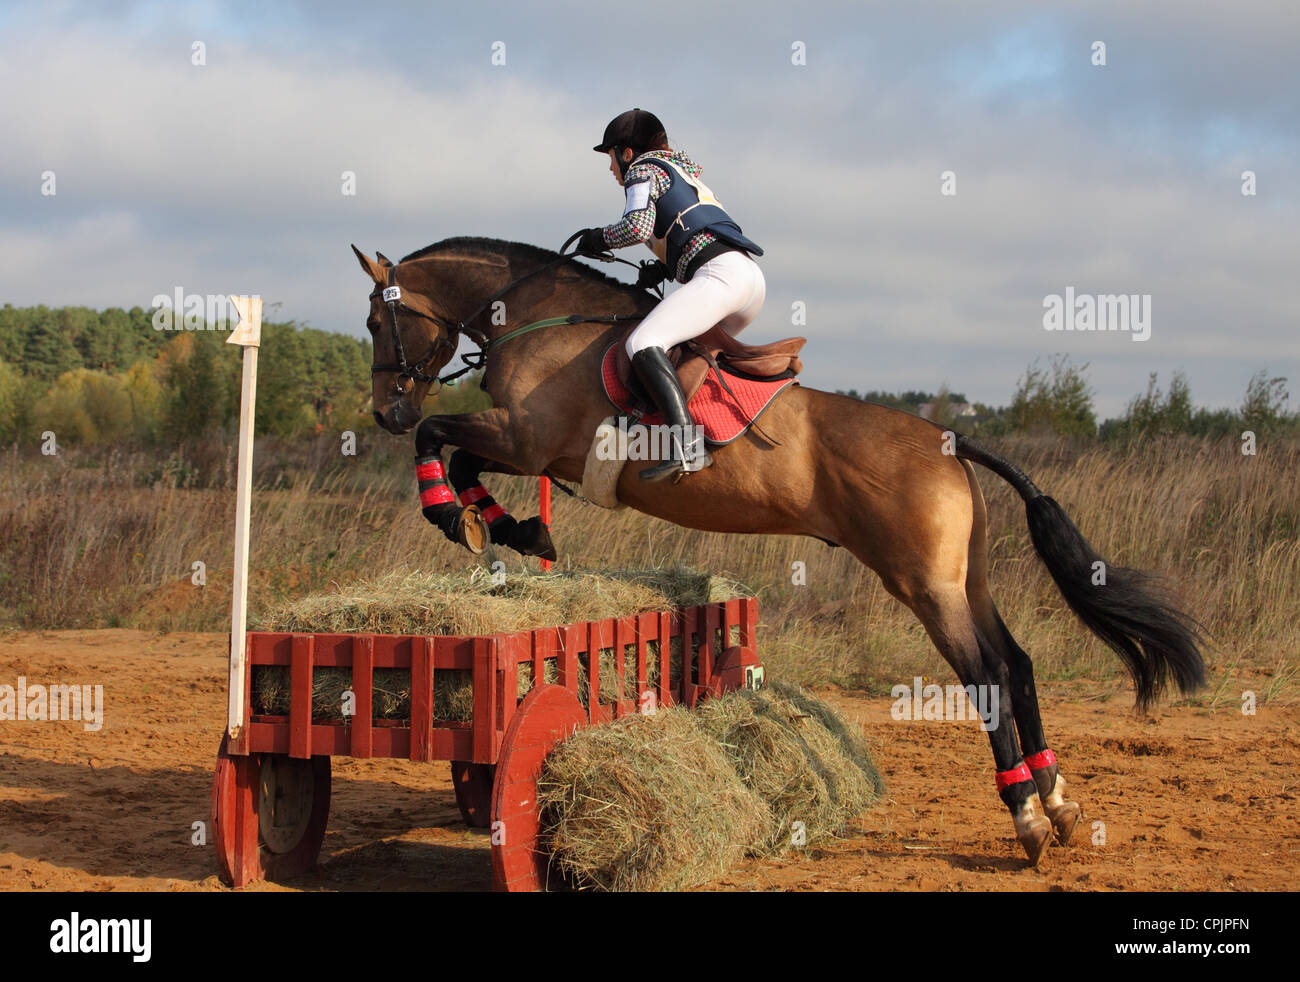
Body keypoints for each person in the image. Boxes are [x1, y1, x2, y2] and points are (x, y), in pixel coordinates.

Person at [570, 109, 765, 482]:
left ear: (626, 153)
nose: (611, 169)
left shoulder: (643, 169)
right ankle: (702, 431)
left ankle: (688, 449)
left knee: (644, 342)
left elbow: (636, 225)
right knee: (681, 356)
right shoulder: (682, 174)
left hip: (721, 277)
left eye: (610, 157)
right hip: (746, 281)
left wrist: (597, 238)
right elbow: (696, 231)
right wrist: (665, 267)